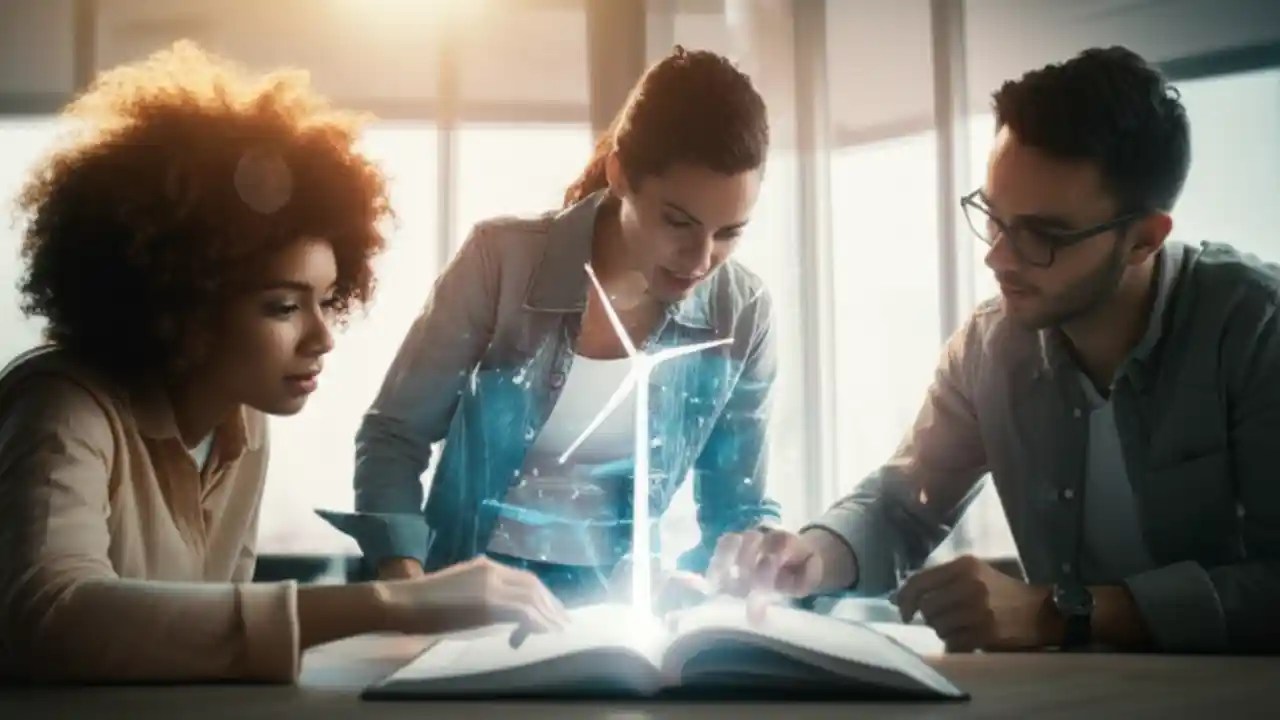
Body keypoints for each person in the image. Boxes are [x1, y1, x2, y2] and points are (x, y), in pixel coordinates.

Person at [0, 42, 566, 684]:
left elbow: (209, 647)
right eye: (282, 306)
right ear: (177, 302)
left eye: (327, 300)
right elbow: (50, 619)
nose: (323, 336)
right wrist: (394, 599)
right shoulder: (63, 407)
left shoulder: (243, 422)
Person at [709, 46, 1280, 654]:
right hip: (1076, 697)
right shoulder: (991, 347)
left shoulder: (1253, 330)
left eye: (1044, 236)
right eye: (996, 217)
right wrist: (811, 555)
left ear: (1143, 239)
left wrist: (1060, 614)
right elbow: (904, 506)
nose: (998, 256)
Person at [327, 47, 780, 606]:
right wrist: (411, 593)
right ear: (620, 173)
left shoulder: (743, 312)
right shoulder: (501, 262)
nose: (700, 259)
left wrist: (738, 576)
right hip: (468, 595)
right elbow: (394, 436)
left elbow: (737, 510)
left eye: (730, 232)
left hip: (624, 616)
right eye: (678, 222)